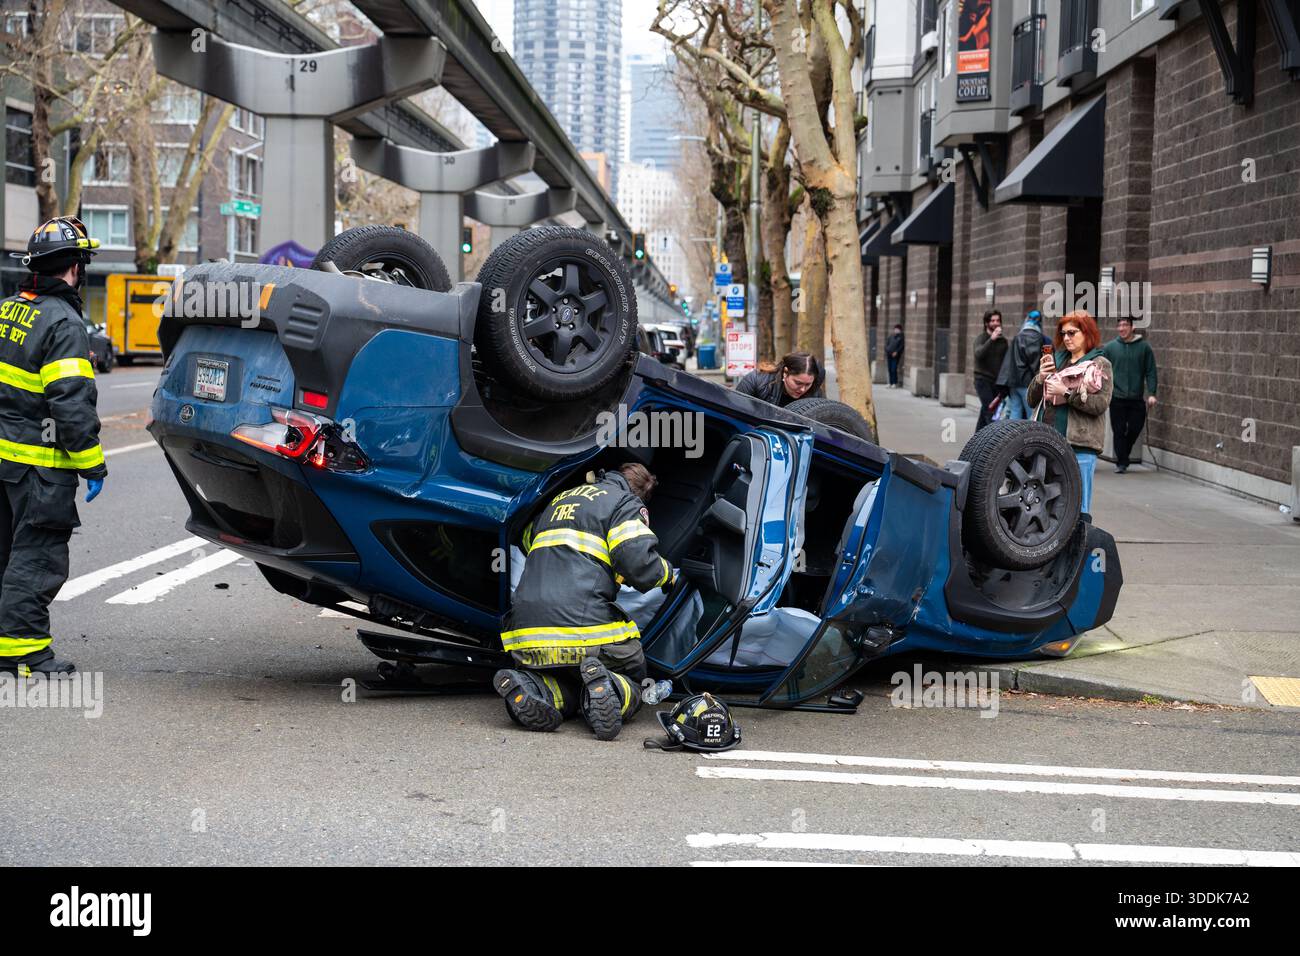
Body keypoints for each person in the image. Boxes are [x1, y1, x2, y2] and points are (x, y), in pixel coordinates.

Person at [494, 462, 672, 741]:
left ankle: (532, 688)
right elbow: (638, 562)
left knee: (564, 680)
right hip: (585, 631)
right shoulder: (625, 503)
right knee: (632, 671)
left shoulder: (559, 499)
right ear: (640, 498)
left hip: (527, 634)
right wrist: (669, 575)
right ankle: (611, 688)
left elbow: (526, 540)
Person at [0, 217, 106, 677]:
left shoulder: (6, 309)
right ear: (75, 268)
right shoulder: (63, 322)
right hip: (36, 468)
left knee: (6, 552)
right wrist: (92, 464)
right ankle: (25, 652)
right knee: (36, 556)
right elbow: (72, 404)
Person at [1028, 310, 1113, 515]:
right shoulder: (1056, 360)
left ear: (1087, 333)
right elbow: (1031, 400)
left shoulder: (1099, 364)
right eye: (1063, 333)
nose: (1066, 338)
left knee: (1077, 508)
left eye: (1072, 333)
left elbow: (1099, 405)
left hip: (1079, 446)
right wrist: (1041, 377)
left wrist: (1065, 393)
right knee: (1045, 507)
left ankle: (1079, 548)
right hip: (1047, 442)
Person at [1102, 317, 1158, 473]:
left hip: (1136, 398)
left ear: (1132, 327)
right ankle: (1122, 463)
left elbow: (1151, 371)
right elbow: (1101, 370)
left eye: (1125, 325)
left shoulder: (1144, 348)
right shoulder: (1110, 348)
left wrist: (1152, 393)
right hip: (1117, 397)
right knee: (1118, 431)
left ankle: (1123, 455)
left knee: (1135, 428)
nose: (1121, 328)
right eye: (1119, 325)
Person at [996, 309, 1045, 419]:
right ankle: (1031, 436)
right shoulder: (1037, 338)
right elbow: (1035, 363)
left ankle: (1014, 436)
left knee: (1015, 411)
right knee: (1031, 414)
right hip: (1027, 383)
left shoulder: (1017, 337)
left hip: (1013, 382)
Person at [733, 351, 825, 407]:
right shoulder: (756, 381)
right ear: (785, 372)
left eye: (808, 384)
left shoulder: (816, 394)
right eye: (798, 383)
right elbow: (735, 409)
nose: (802, 389)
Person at [972, 309, 1007, 430]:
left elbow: (1005, 363)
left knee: (986, 411)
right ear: (987, 323)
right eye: (992, 321)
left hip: (996, 382)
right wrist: (991, 339)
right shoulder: (981, 339)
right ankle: (993, 442)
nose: (996, 323)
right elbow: (978, 354)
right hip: (982, 380)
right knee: (990, 412)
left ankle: (977, 440)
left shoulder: (1003, 342)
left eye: (998, 320)